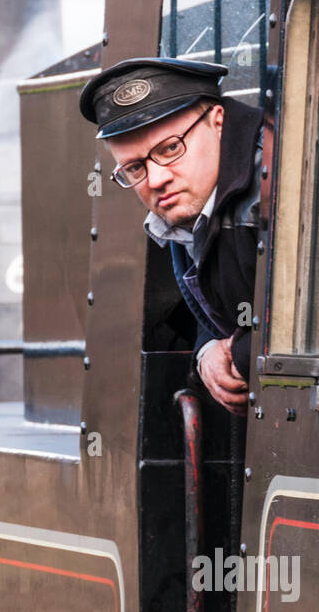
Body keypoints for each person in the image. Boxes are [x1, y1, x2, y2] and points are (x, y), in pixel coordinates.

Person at [80, 57, 263, 416]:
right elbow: (214, 311)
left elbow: (318, 315)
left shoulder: (273, 188)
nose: (155, 180)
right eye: (135, 167)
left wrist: (239, 356)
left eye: (170, 149)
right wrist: (208, 349)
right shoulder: (188, 204)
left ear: (219, 123)